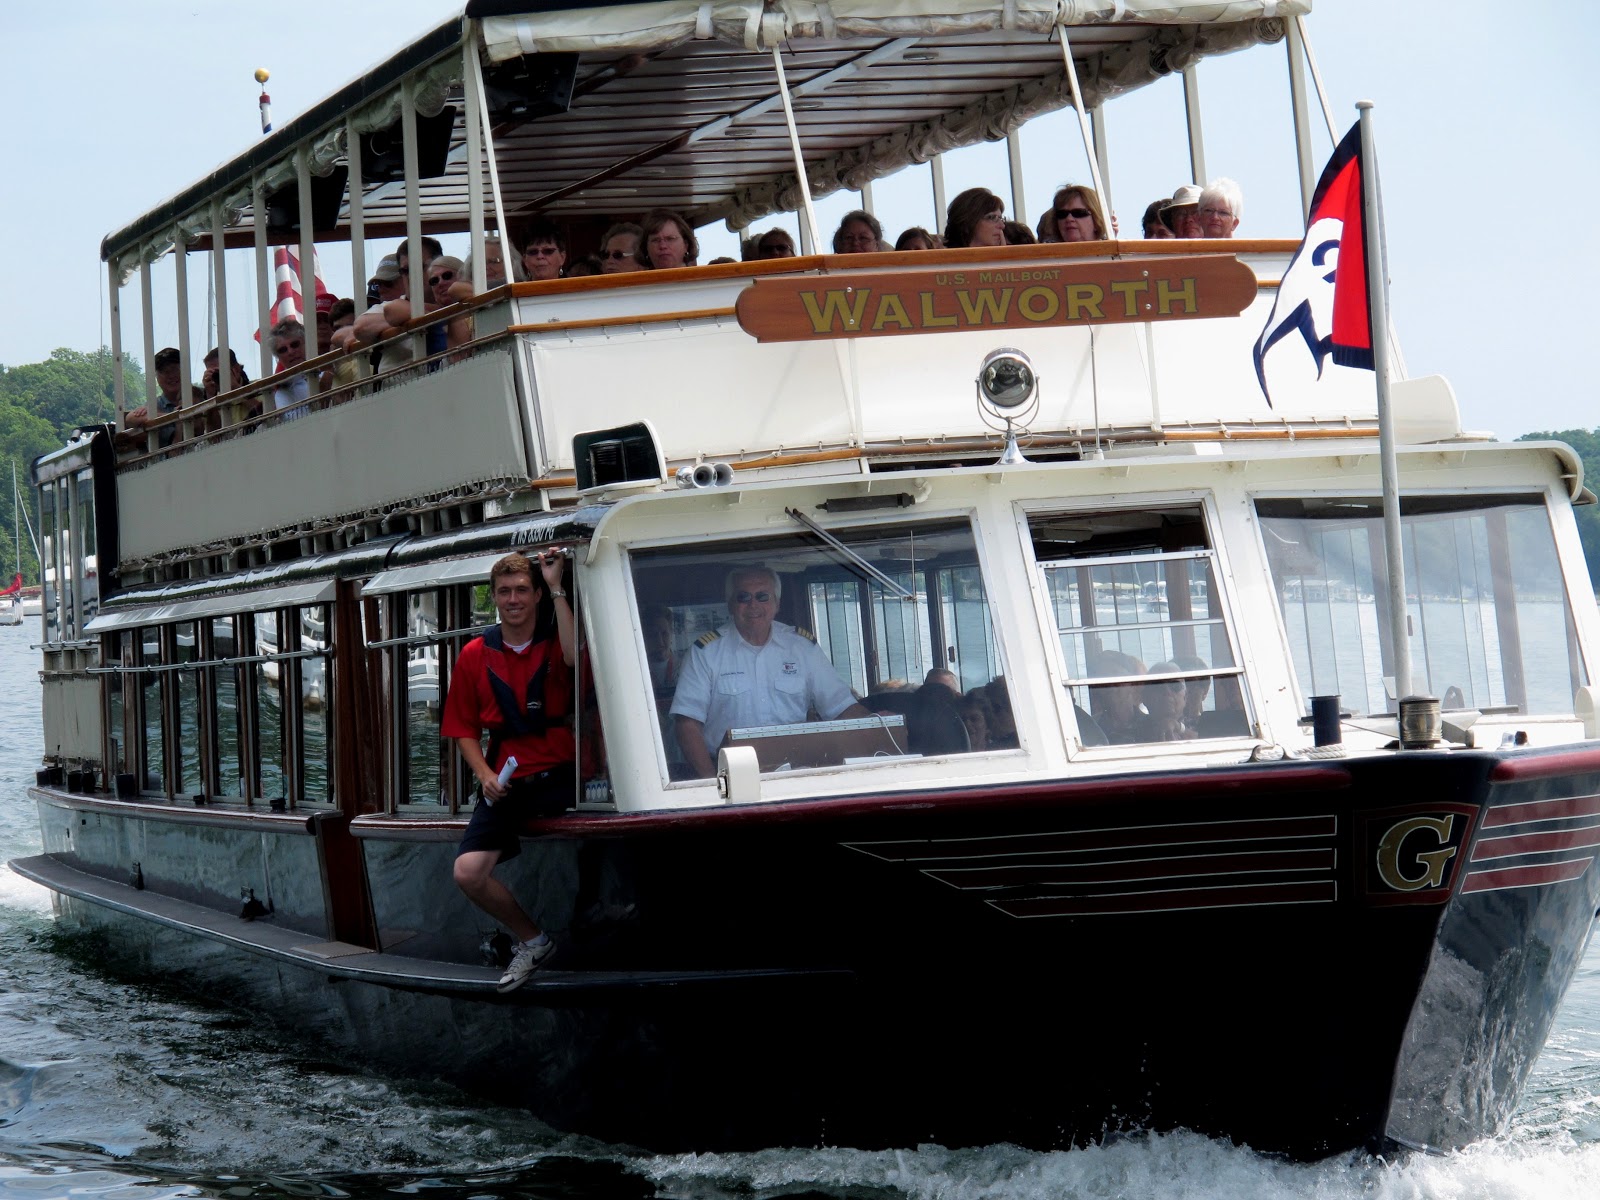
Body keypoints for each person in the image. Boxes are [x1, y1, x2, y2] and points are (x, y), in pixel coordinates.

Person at [444, 550, 576, 992]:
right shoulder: (474, 655)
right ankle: (534, 941)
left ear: (536, 594)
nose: (513, 599)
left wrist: (557, 585)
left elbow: (576, 660)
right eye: (504, 592)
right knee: (467, 872)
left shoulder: (558, 642)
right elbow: (463, 728)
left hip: (562, 774)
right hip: (506, 780)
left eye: (522, 590)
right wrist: (483, 774)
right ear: (494, 598)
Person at [670, 565, 868, 778]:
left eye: (762, 597)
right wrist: (713, 784)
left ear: (777, 604)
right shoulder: (705, 653)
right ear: (730, 605)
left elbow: (841, 707)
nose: (753, 605)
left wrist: (880, 723)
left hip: (796, 771)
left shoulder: (802, 647)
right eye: (743, 597)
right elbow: (687, 724)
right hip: (728, 772)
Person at [122, 346, 186, 449]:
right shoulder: (155, 404)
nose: (171, 376)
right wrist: (177, 417)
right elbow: (130, 419)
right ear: (156, 376)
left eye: (174, 369)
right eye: (164, 372)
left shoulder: (200, 394)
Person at [1087, 650, 1146, 744]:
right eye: (1103, 678)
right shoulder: (1090, 729)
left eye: (1116, 675)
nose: (1111, 684)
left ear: (1132, 683)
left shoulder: (1152, 725)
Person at [269, 319, 313, 421]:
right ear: (278, 357)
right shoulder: (281, 392)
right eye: (283, 350)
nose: (290, 352)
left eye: (295, 344)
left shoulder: (329, 366)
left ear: (306, 342)